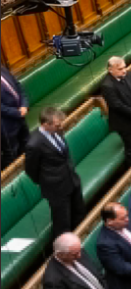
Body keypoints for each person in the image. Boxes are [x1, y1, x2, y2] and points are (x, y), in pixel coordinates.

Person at [25, 107, 86, 249]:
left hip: (71, 179)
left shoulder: (57, 131)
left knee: (79, 212)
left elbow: (64, 154)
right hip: (55, 188)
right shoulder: (34, 144)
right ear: (46, 124)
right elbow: (31, 170)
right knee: (62, 223)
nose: (61, 126)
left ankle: (80, 242)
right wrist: (47, 181)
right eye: (57, 125)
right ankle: (63, 251)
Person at [97, 55, 131, 171]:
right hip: (124, 123)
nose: (124, 70)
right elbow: (117, 106)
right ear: (110, 70)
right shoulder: (107, 85)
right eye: (120, 69)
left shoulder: (128, 75)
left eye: (124, 67)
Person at [0, 65, 29, 165]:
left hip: (20, 116)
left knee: (26, 144)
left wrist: (24, 105)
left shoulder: (3, 68)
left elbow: (18, 86)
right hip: (6, 125)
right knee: (12, 155)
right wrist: (17, 112)